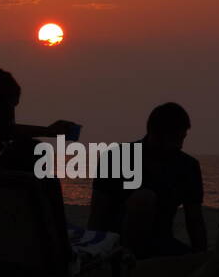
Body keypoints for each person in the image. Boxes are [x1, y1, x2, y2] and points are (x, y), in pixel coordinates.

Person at [88, 102, 207, 258]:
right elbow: (98, 214)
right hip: (116, 245)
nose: (180, 145)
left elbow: (194, 219)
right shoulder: (117, 157)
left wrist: (202, 257)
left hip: (161, 243)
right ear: (157, 135)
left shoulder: (187, 166)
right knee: (143, 198)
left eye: (182, 138)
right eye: (176, 139)